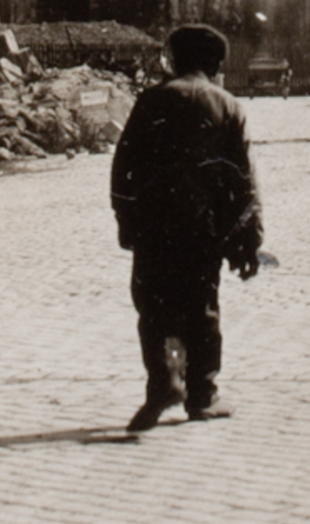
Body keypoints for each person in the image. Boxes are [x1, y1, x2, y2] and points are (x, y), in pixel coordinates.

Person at [109, 23, 264, 431]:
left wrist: (126, 221)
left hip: (153, 228)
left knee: (156, 309)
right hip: (202, 231)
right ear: (215, 63)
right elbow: (243, 182)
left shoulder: (151, 100)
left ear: (175, 59)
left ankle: (164, 378)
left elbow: (123, 168)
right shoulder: (228, 106)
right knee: (201, 310)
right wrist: (248, 240)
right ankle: (201, 394)